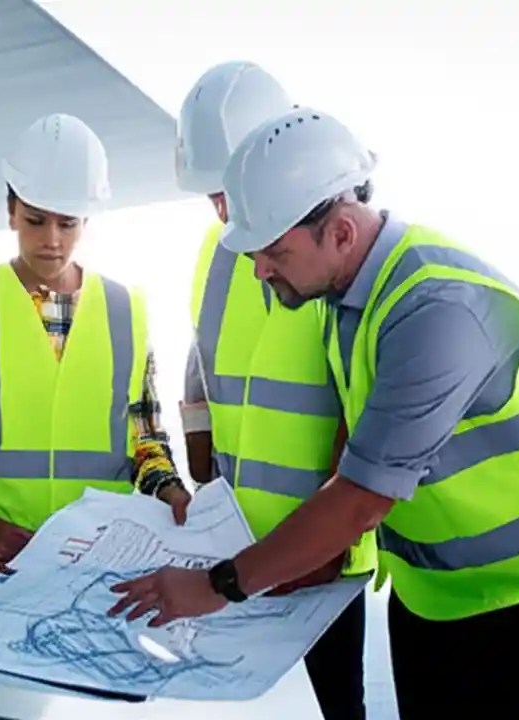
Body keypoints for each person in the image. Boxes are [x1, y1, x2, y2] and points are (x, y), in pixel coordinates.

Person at [110, 106, 519, 719]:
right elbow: (356, 422)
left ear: (341, 232)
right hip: (434, 583)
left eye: (274, 252)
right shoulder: (342, 287)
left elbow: (362, 497)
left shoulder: (437, 313)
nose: (261, 270)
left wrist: (218, 585)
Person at [0, 113, 192, 582]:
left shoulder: (127, 313)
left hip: (91, 563)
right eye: (36, 220)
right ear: (11, 210)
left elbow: (146, 441)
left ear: (87, 219)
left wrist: (170, 490)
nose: (52, 240)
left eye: (67, 223)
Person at [174, 61, 374, 720]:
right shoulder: (216, 249)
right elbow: (202, 355)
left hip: (320, 553)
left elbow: (362, 402)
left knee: (338, 703)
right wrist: (199, 464)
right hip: (233, 538)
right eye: (216, 198)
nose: (227, 211)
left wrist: (330, 542)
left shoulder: (332, 251)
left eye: (232, 191)